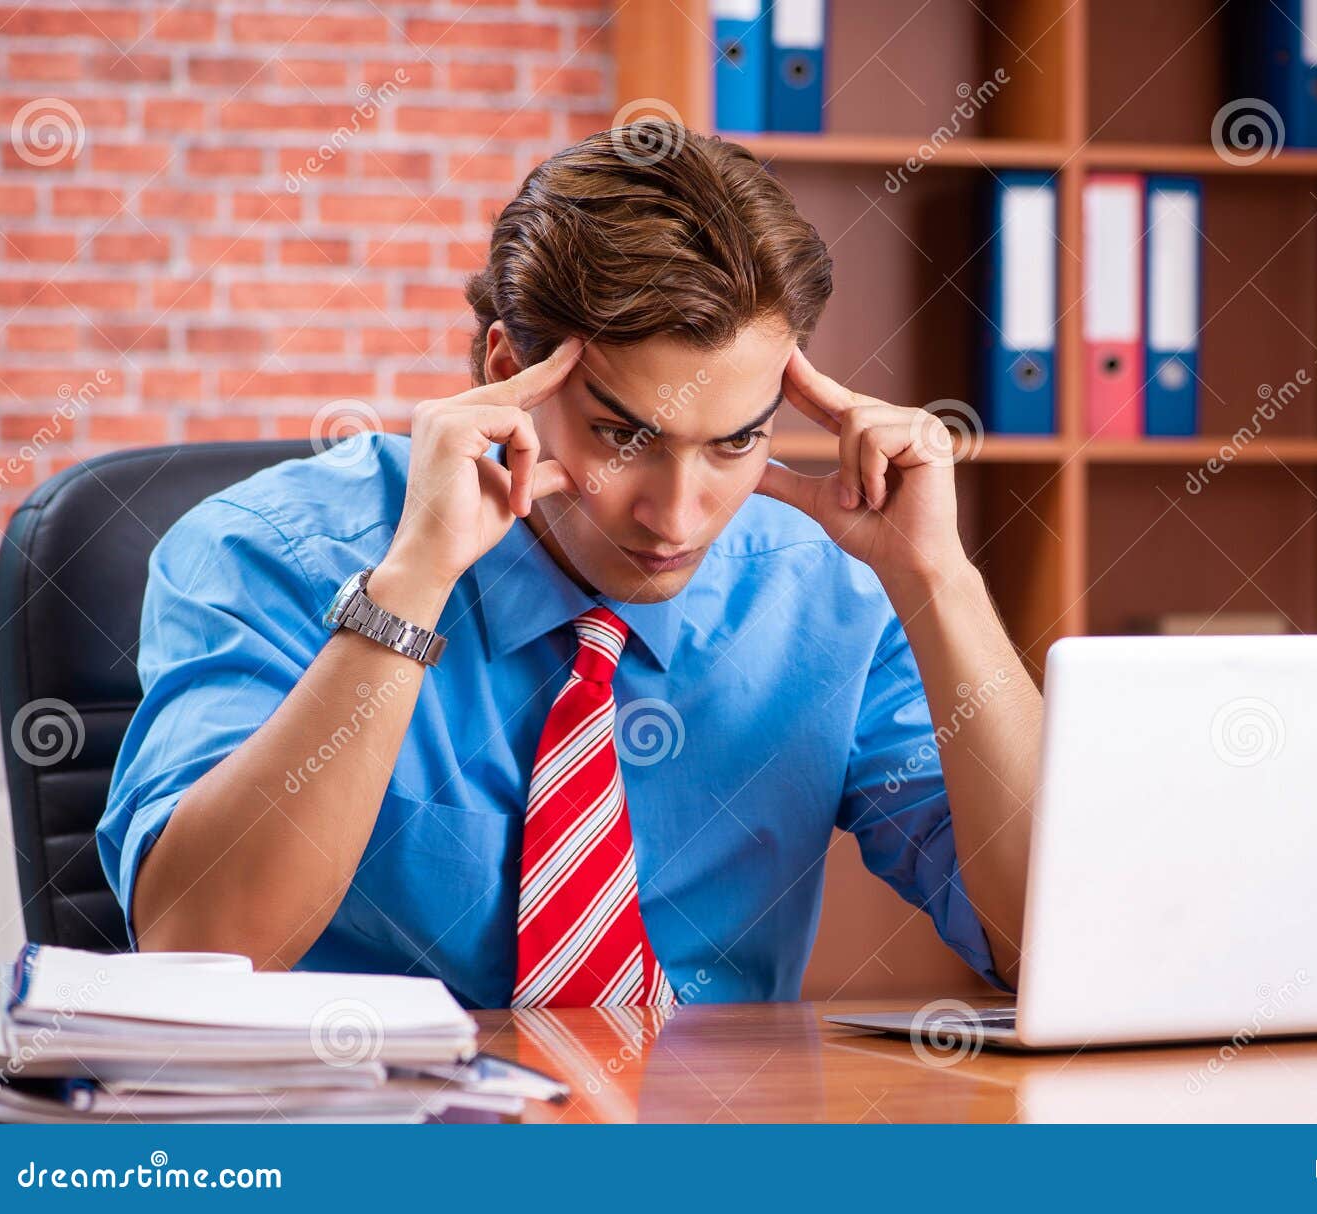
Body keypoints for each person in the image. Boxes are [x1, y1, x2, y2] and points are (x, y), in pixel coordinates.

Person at [98, 123, 1042, 1009]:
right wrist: (410, 590)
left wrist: (939, 582)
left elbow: (1041, 941)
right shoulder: (263, 550)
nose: (677, 516)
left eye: (735, 442)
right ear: (508, 370)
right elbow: (197, 951)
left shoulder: (825, 592)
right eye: (624, 436)